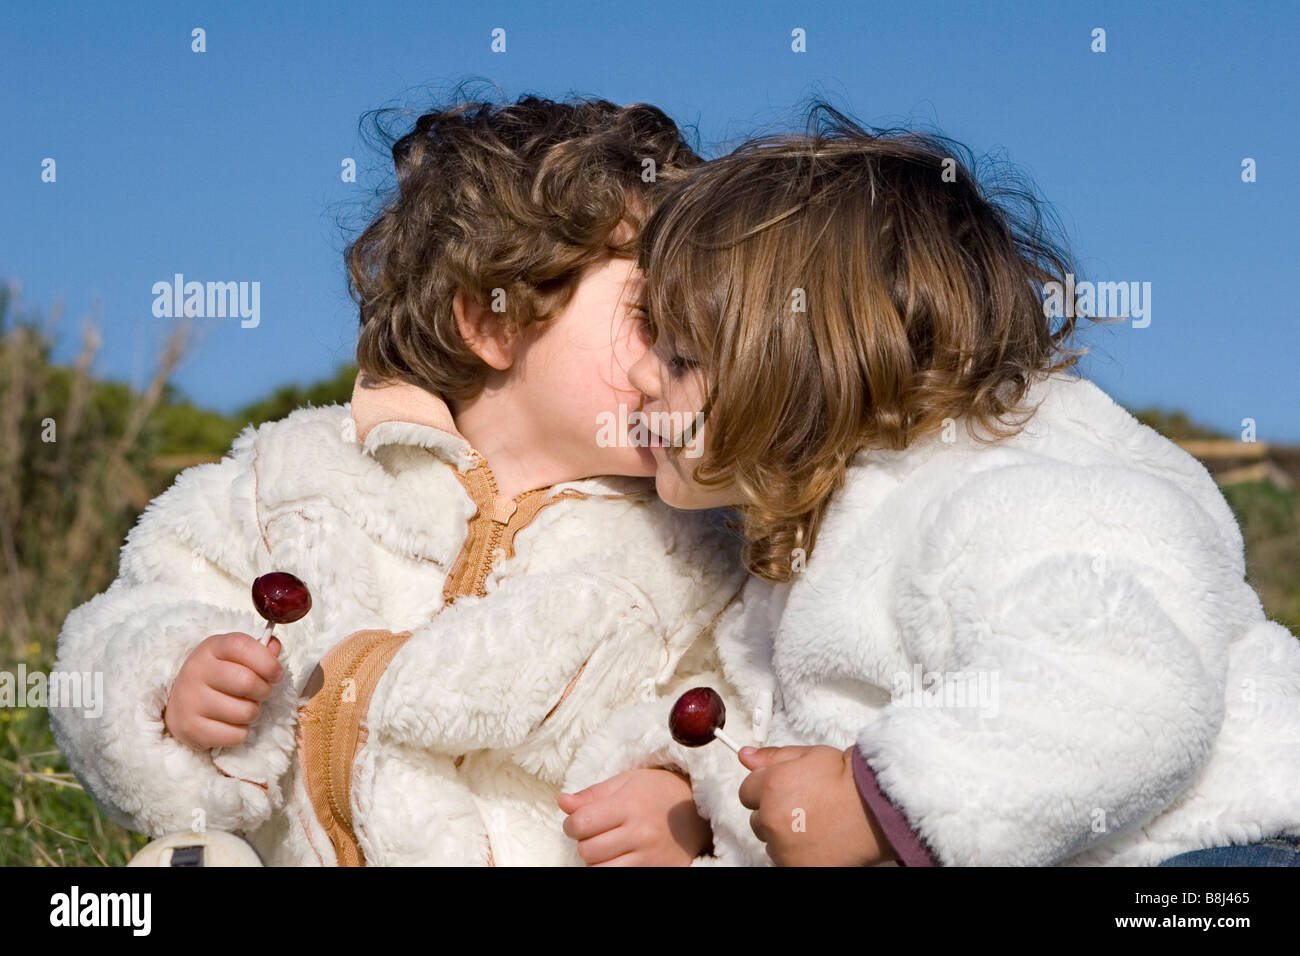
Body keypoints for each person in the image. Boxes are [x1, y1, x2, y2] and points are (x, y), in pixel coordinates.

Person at [560, 103, 1300, 866]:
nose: (642, 375)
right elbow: (798, 767)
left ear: (814, 372)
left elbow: (1130, 691)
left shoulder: (1005, 494)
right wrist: (701, 810)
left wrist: (875, 801)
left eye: (682, 357)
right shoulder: (805, 553)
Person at [51, 93, 747, 866]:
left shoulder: (697, 553)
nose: (683, 355)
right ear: (492, 319)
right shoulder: (299, 475)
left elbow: (748, 713)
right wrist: (172, 682)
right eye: (652, 318)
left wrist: (685, 796)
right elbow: (119, 627)